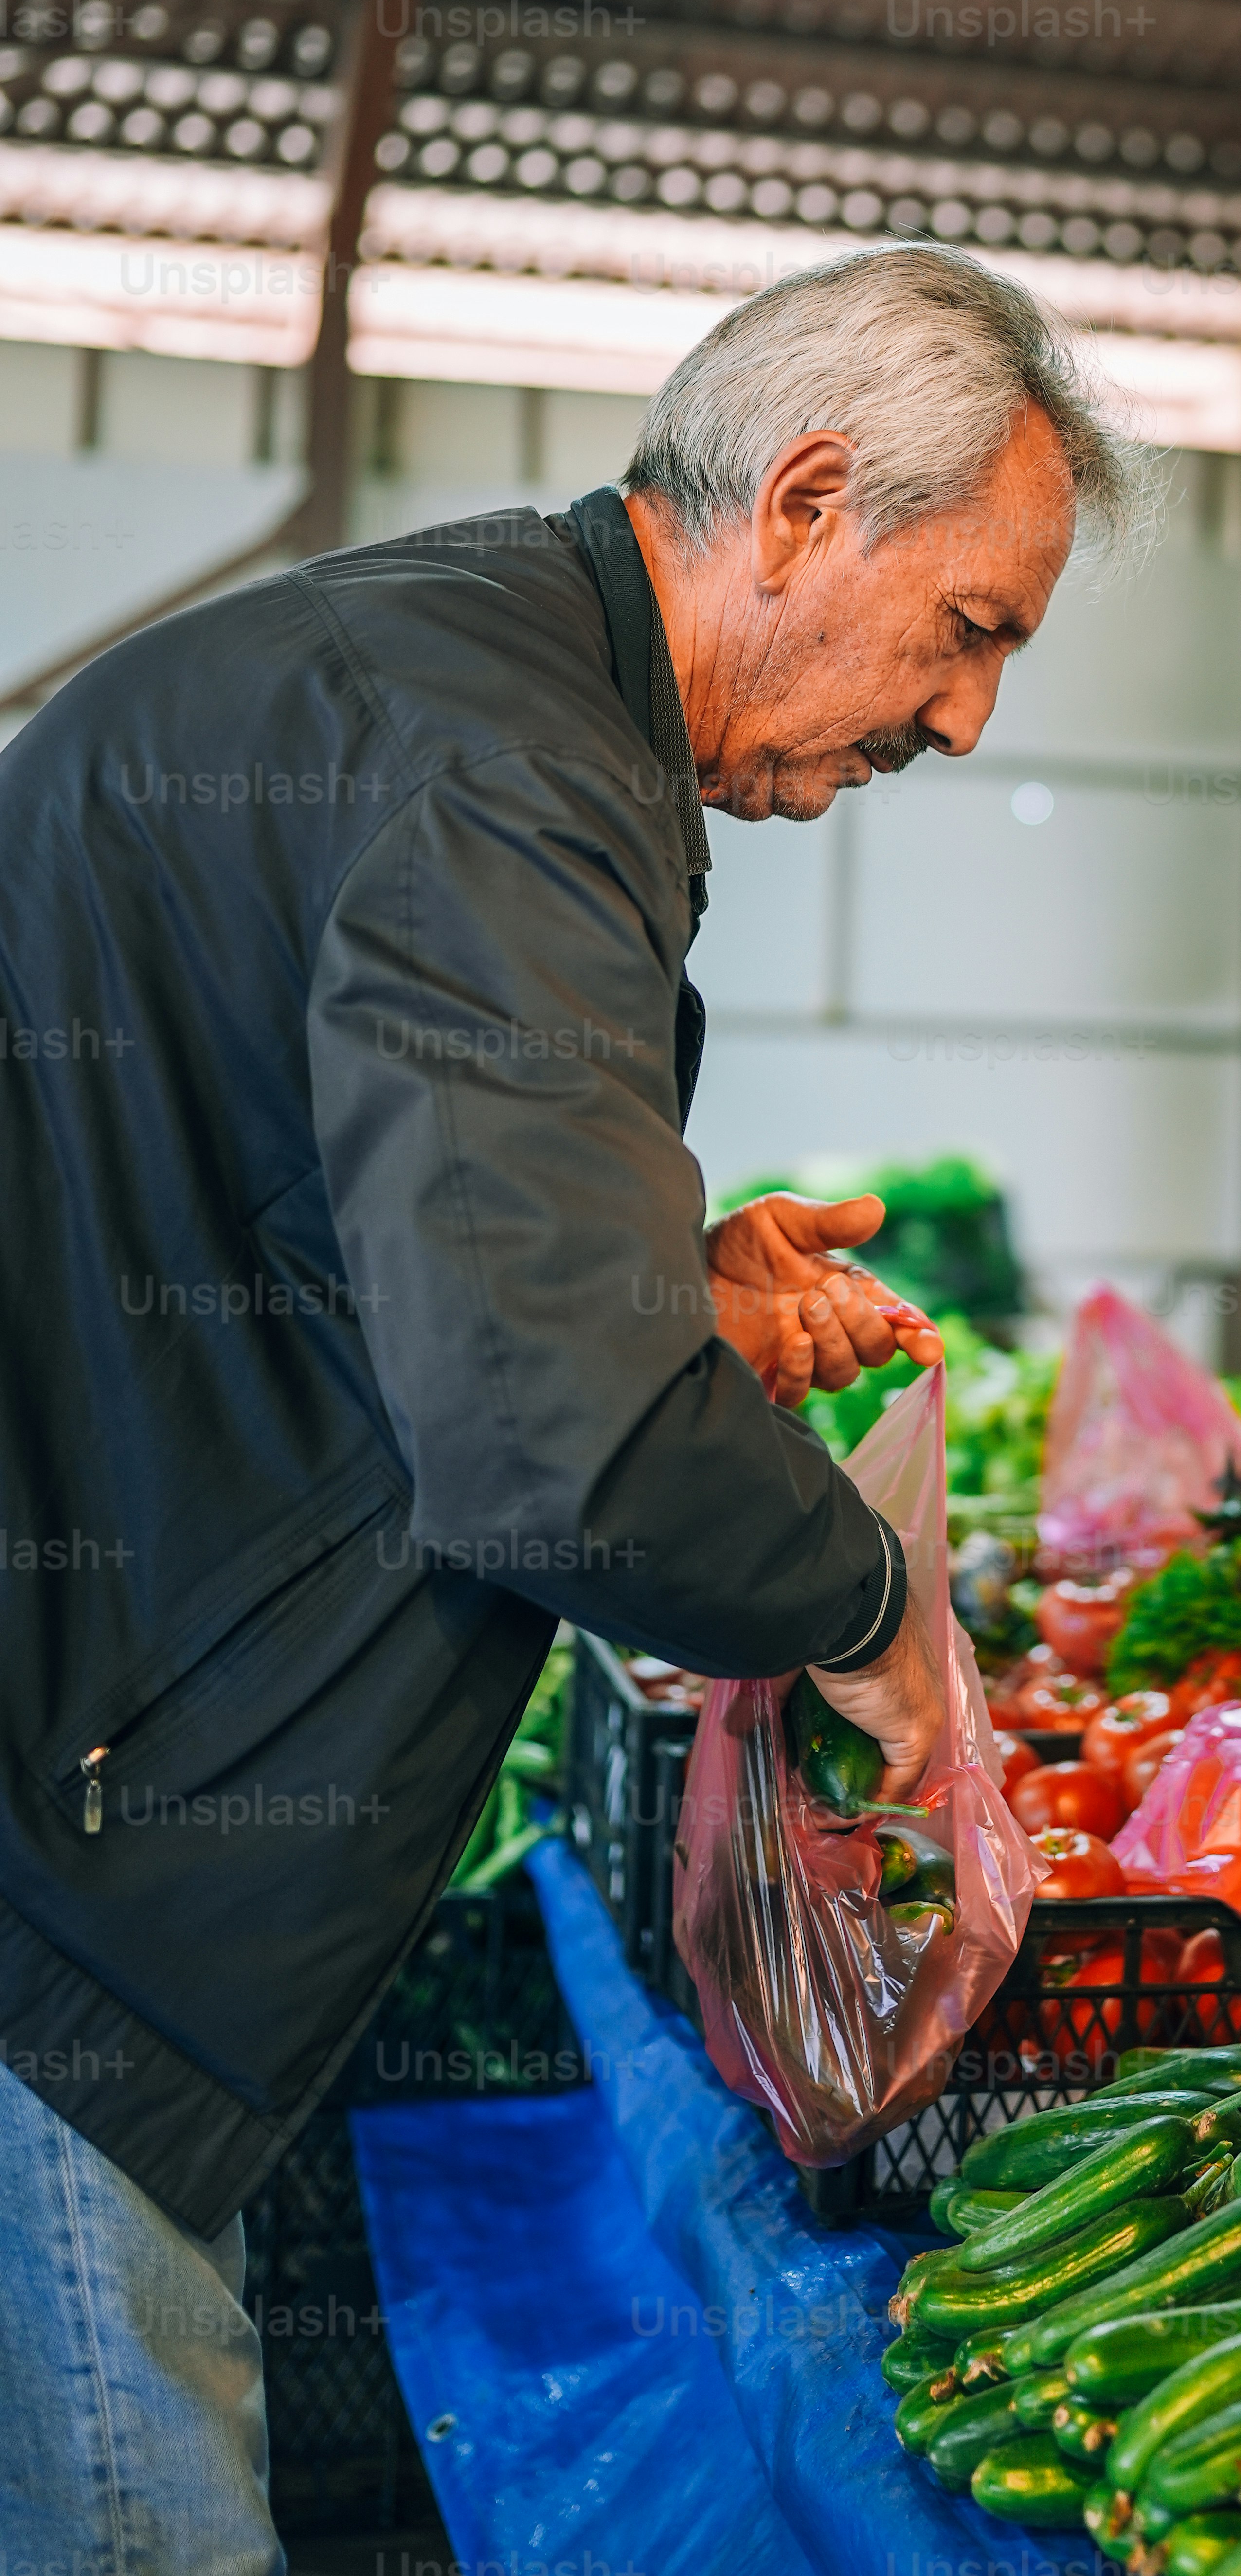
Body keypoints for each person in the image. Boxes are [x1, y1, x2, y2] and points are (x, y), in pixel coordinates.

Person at [0, 242, 1135, 2571]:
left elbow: (281, 1213)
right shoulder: (513, 766)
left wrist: (658, 1283)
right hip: (77, 1879)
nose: (964, 726)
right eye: (976, 626)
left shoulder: (447, 675)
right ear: (802, 504)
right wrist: (869, 1598)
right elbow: (554, 1435)